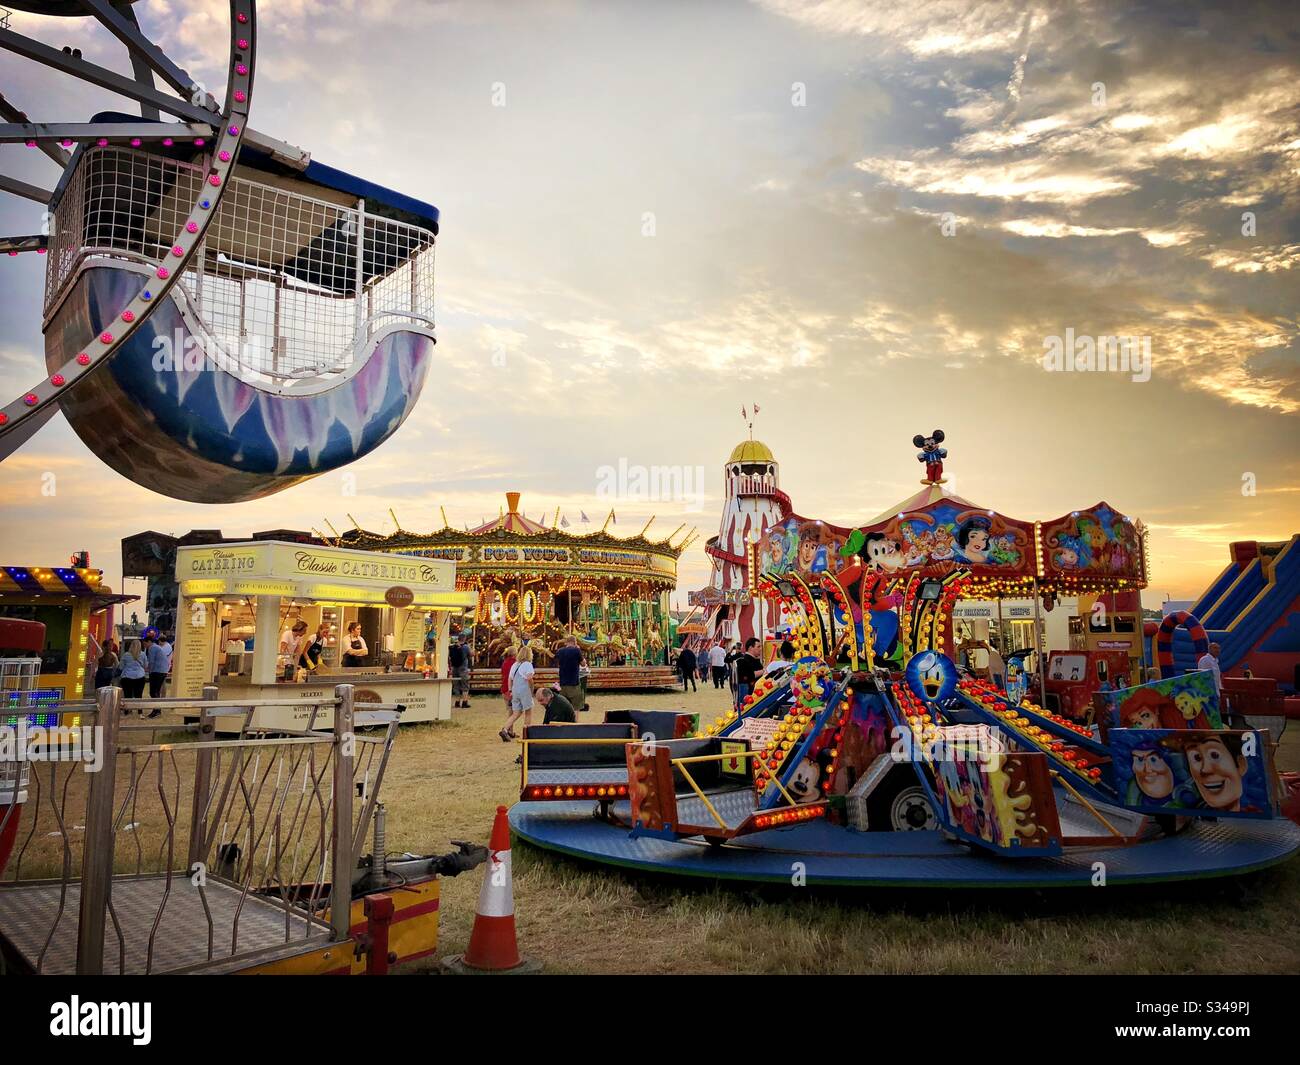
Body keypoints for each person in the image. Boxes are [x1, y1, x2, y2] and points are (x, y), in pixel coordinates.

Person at [500, 646, 535, 743]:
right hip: (524, 690)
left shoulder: (515, 664)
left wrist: (511, 690)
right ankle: (526, 734)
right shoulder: (528, 664)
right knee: (528, 712)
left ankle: (505, 729)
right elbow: (529, 678)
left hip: (515, 690)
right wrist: (532, 688)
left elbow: (510, 678)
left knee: (516, 713)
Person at [554, 636, 583, 712]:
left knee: (563, 706)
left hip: (562, 682)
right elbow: (583, 663)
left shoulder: (560, 651)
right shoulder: (577, 651)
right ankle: (575, 723)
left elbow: (556, 661)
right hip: (574, 682)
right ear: (574, 642)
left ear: (566, 642)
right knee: (576, 707)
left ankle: (564, 722)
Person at [734, 637, 762, 707]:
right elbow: (749, 675)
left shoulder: (753, 660)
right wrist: (764, 671)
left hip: (755, 696)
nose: (760, 649)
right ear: (750, 648)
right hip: (748, 698)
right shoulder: (743, 661)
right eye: (758, 647)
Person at [118, 639, 147, 704]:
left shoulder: (126, 655)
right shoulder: (143, 654)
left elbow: (121, 667)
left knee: (127, 695)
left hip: (127, 677)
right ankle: (139, 711)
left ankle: (127, 711)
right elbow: (146, 666)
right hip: (140, 677)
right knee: (139, 695)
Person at [449, 634, 471, 709]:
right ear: (464, 639)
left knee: (456, 685)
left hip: (454, 668)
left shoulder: (453, 647)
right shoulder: (465, 647)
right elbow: (470, 654)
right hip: (463, 668)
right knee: (465, 685)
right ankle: (465, 702)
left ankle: (457, 702)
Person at [500, 647, 516, 714]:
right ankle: (509, 724)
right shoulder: (515, 663)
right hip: (511, 688)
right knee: (512, 711)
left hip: (504, 687)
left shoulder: (505, 662)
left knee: (509, 709)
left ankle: (509, 723)